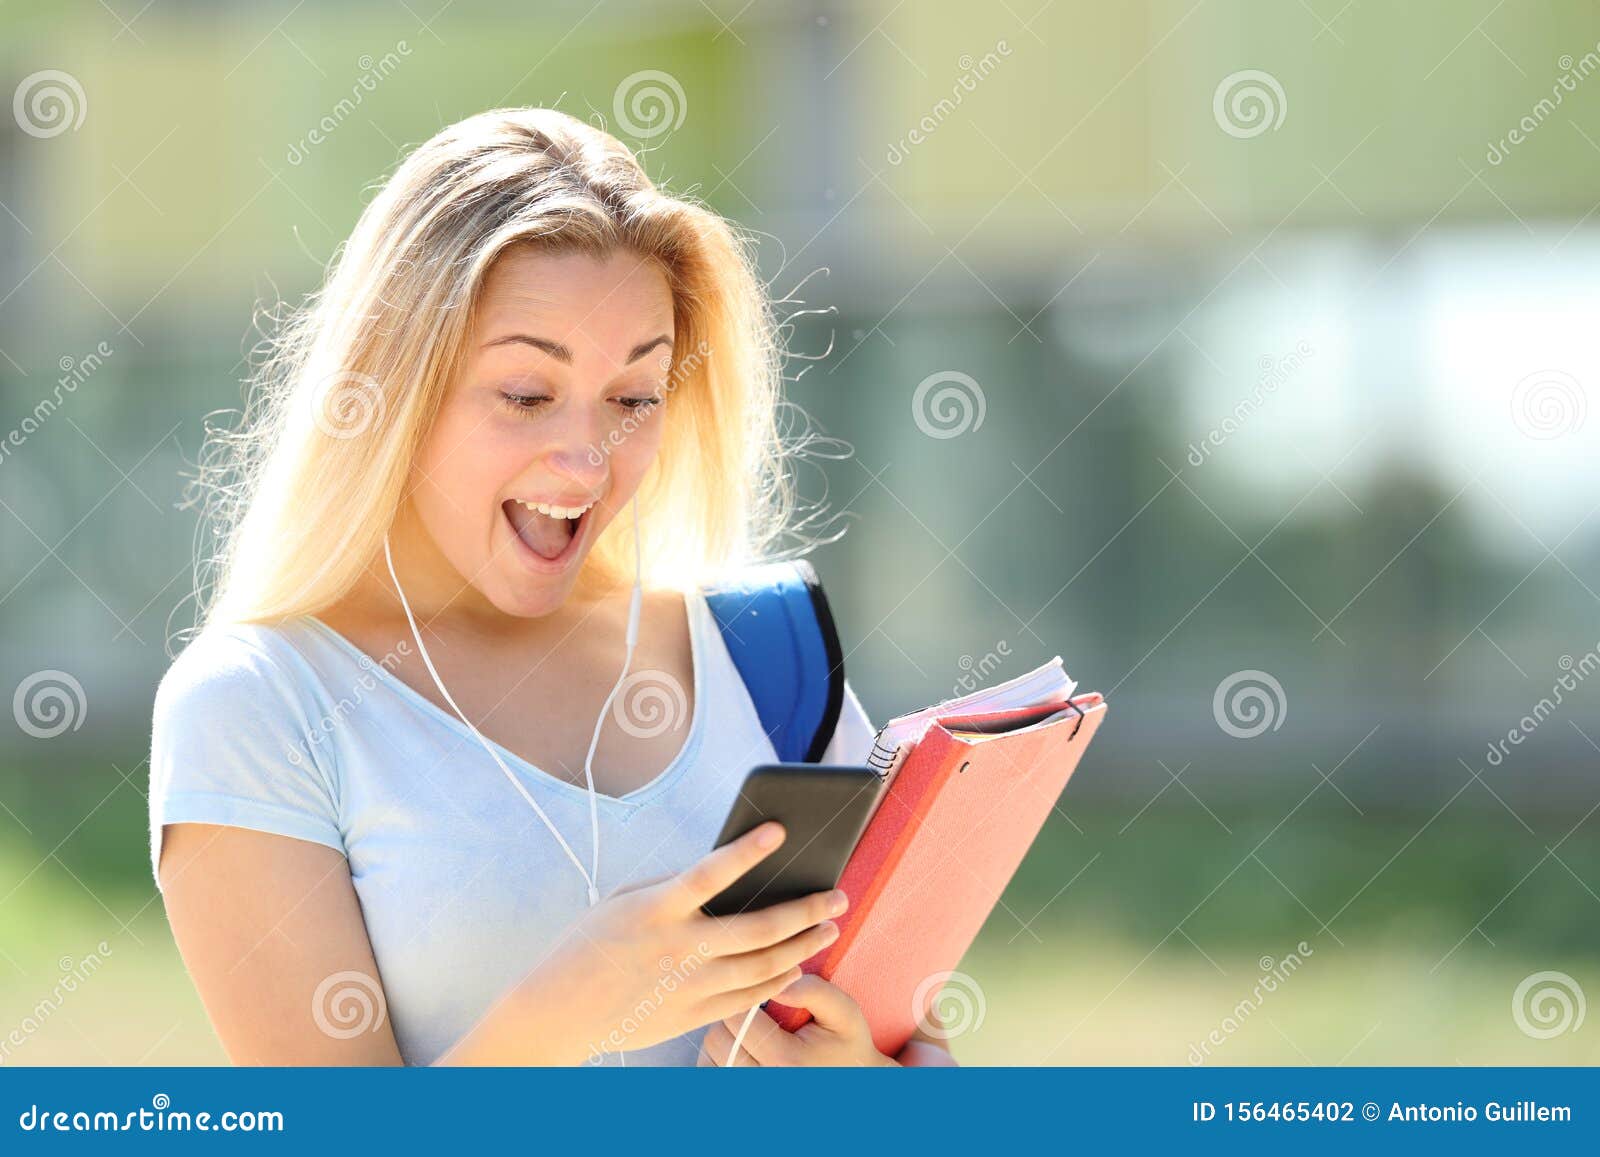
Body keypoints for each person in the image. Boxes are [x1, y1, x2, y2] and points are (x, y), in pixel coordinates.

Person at [150, 107, 953, 1067]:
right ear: (394, 385)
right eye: (527, 395)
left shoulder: (765, 657)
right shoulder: (257, 706)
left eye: (634, 398)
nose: (588, 461)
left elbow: (923, 1058)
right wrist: (568, 1014)